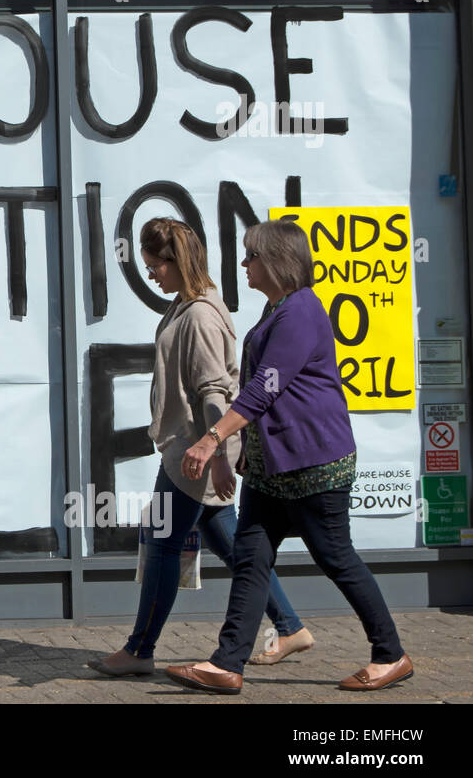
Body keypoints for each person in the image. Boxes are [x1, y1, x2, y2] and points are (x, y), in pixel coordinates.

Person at [165, 219, 411, 694]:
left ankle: (391, 654)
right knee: (252, 559)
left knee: (336, 557)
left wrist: (211, 439)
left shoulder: (300, 312)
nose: (244, 264)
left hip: (315, 464)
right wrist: (249, 452)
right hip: (273, 469)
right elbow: (265, 395)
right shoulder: (276, 308)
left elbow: (265, 389)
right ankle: (227, 664)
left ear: (276, 260)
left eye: (251, 256)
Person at [88, 217, 312, 678]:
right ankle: (289, 627)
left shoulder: (200, 315)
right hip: (194, 450)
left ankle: (139, 649)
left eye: (155, 267)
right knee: (233, 546)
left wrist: (212, 454)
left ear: (175, 261)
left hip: (193, 452)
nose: (152, 274)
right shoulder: (189, 303)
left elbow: (215, 391)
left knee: (163, 545)